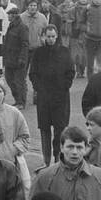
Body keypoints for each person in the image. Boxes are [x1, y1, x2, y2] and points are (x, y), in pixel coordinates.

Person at [29, 23, 75, 167]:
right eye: (48, 36)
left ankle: (58, 158)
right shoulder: (38, 53)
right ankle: (46, 160)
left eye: (53, 36)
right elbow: (33, 73)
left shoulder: (65, 52)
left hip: (60, 97)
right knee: (44, 129)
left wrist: (65, 86)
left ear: (57, 36)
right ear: (43, 37)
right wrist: (38, 88)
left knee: (60, 128)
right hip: (44, 97)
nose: (51, 39)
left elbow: (70, 72)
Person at [2, 7, 31, 108]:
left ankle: (21, 102)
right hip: (10, 59)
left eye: (9, 15)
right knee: (9, 80)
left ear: (13, 15)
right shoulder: (11, 26)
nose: (8, 16)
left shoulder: (22, 27)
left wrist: (22, 58)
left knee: (19, 81)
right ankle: (17, 100)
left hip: (18, 59)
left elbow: (25, 44)